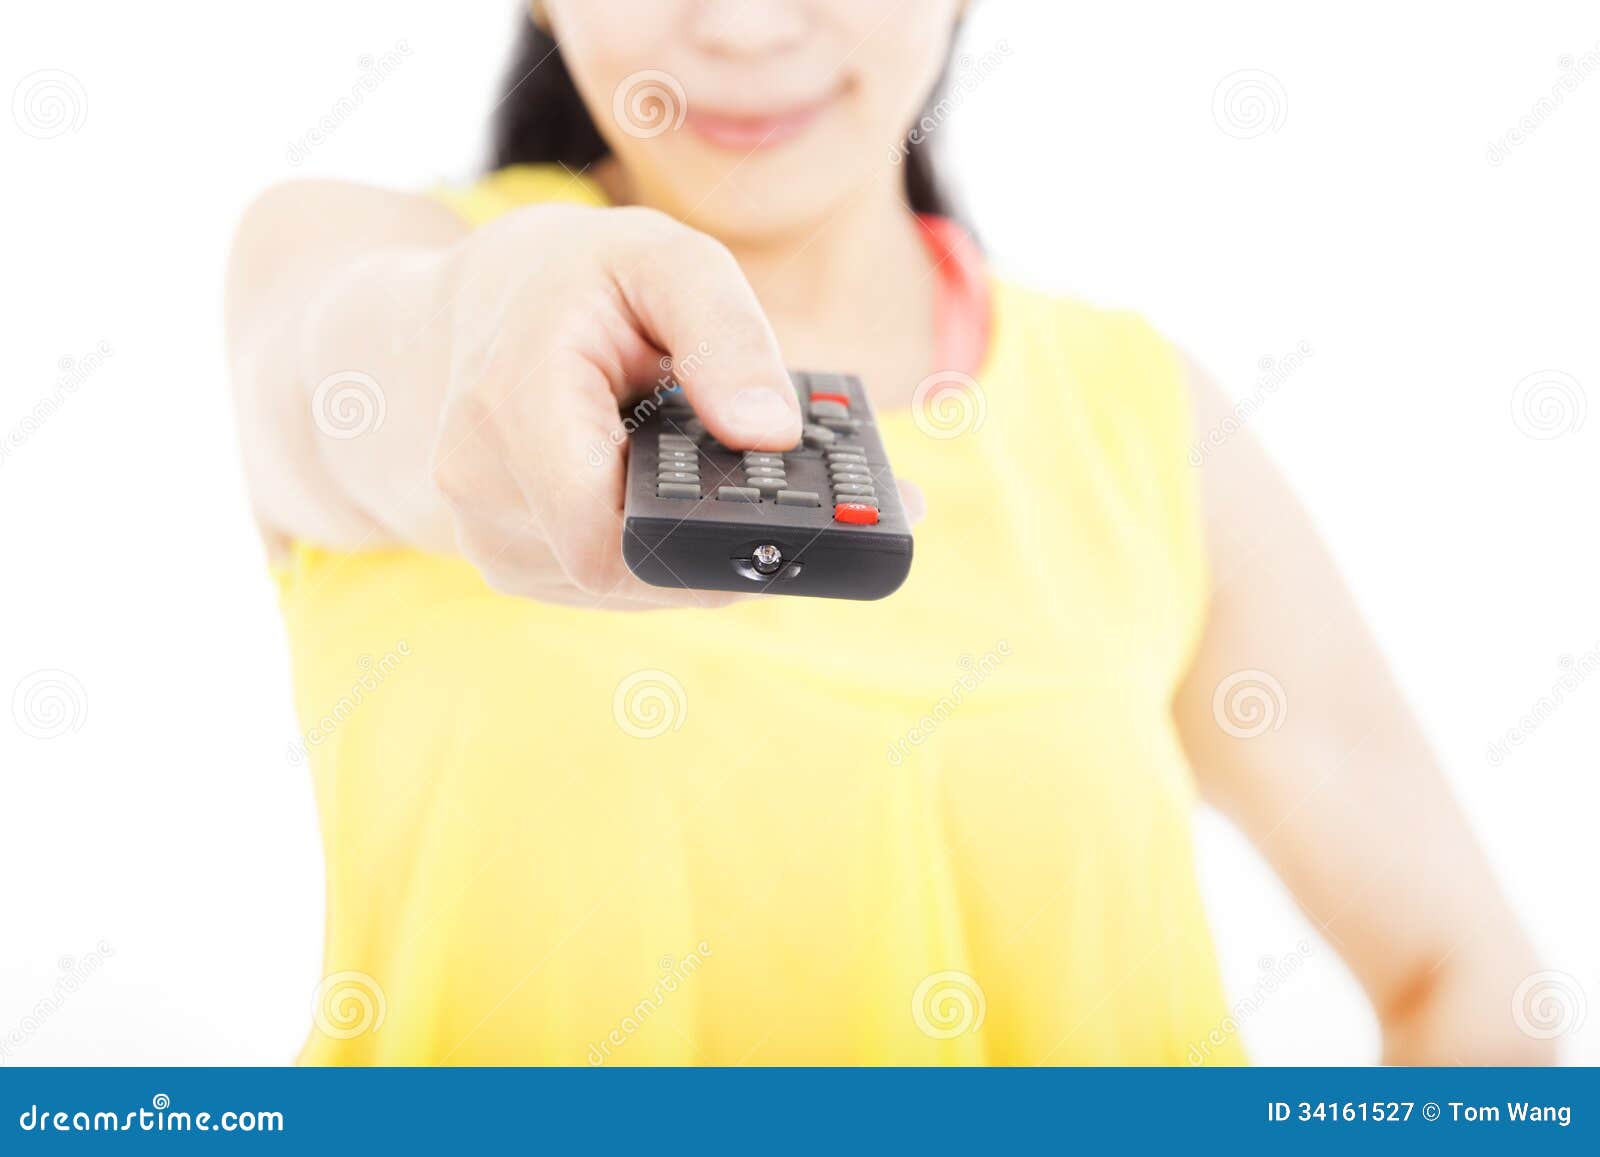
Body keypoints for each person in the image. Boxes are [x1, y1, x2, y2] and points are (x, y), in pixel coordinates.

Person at [225, 2, 1548, 1064]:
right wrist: (491, 315)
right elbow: (339, 374)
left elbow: (1472, 987)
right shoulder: (362, 259)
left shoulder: (1140, 416)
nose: (742, 28)